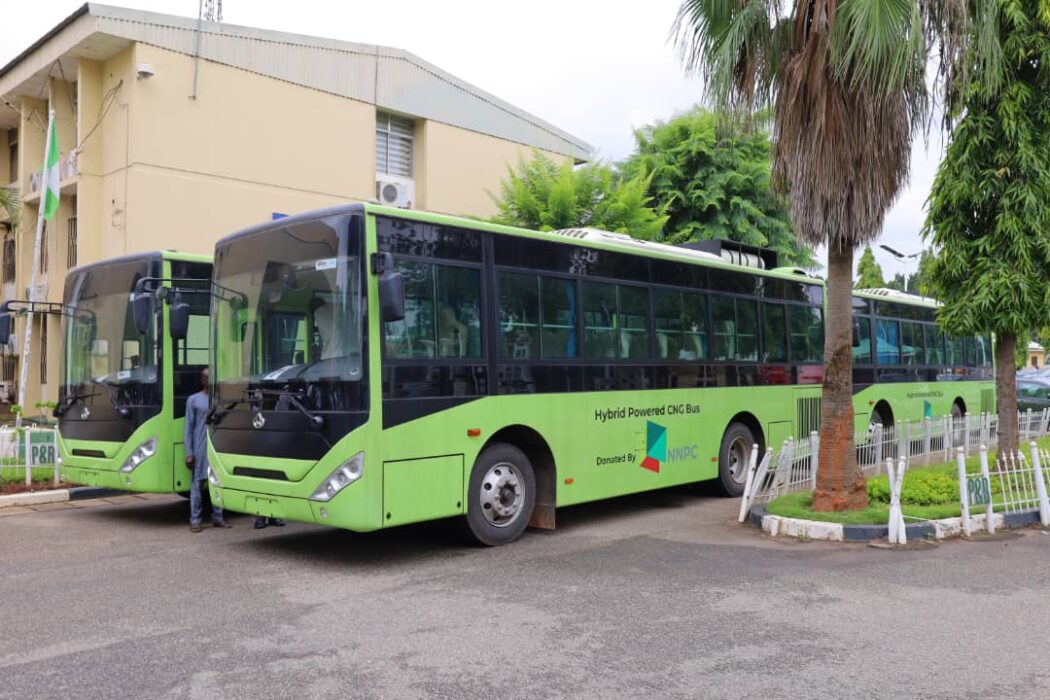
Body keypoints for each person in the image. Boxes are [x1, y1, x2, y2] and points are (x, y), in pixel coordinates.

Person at [185, 368, 230, 532]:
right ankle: (195, 520)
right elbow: (188, 428)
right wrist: (189, 453)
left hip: (217, 447)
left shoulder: (220, 400)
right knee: (197, 484)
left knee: (218, 482)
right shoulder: (193, 400)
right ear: (202, 380)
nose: (211, 381)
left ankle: (218, 517)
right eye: (207, 378)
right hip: (200, 448)